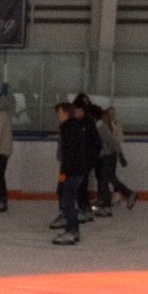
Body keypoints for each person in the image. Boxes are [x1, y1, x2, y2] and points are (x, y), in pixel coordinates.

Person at [51, 100, 98, 246]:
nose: (57, 115)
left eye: (59, 112)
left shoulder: (69, 128)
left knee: (67, 201)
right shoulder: (73, 126)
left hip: (72, 171)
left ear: (66, 113)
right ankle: (72, 230)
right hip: (73, 170)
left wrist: (64, 175)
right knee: (66, 198)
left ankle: (71, 231)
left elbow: (70, 154)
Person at [96, 104, 137, 212]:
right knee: (109, 179)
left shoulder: (105, 126)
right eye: (108, 114)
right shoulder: (104, 125)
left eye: (111, 114)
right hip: (105, 156)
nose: (110, 116)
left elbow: (114, 142)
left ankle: (108, 204)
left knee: (106, 179)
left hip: (108, 157)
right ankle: (124, 195)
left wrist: (120, 155)